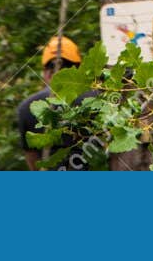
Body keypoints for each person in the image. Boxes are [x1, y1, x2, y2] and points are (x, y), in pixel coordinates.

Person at [15, 36, 95, 170]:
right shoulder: (96, 100)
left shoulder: (26, 108)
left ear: (46, 73)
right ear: (77, 69)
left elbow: (32, 159)